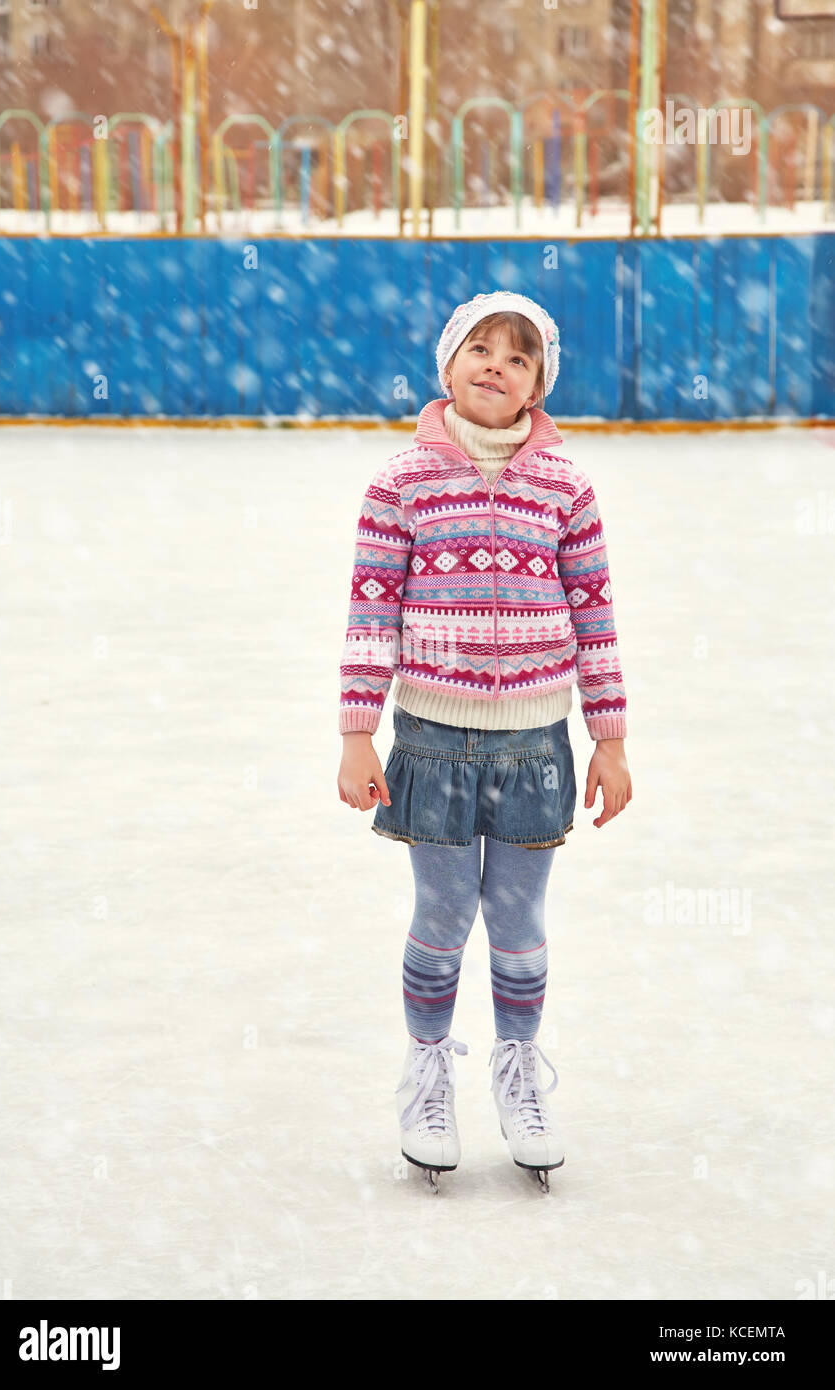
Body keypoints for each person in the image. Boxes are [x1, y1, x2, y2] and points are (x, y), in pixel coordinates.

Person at [336, 290, 632, 1189]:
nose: (495, 365)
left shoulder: (566, 486)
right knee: (440, 914)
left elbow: (596, 614)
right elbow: (369, 610)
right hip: (428, 738)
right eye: (479, 349)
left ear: (539, 384)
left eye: (518, 356)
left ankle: (519, 1071)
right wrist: (358, 731)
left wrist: (609, 739)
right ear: (448, 366)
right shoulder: (400, 481)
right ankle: (428, 1068)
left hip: (533, 744)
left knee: (515, 917)